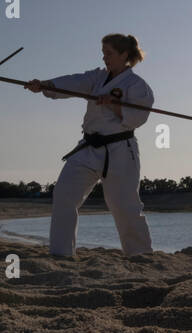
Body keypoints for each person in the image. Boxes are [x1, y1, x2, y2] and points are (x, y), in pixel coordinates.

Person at [25, 33, 154, 259]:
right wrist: (46, 85)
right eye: (103, 53)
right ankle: (61, 253)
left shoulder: (137, 85)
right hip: (88, 146)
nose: (104, 58)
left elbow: (139, 117)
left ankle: (140, 254)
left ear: (124, 55)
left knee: (124, 204)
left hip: (120, 150)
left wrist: (114, 106)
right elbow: (73, 82)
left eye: (109, 54)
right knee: (65, 194)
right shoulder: (97, 77)